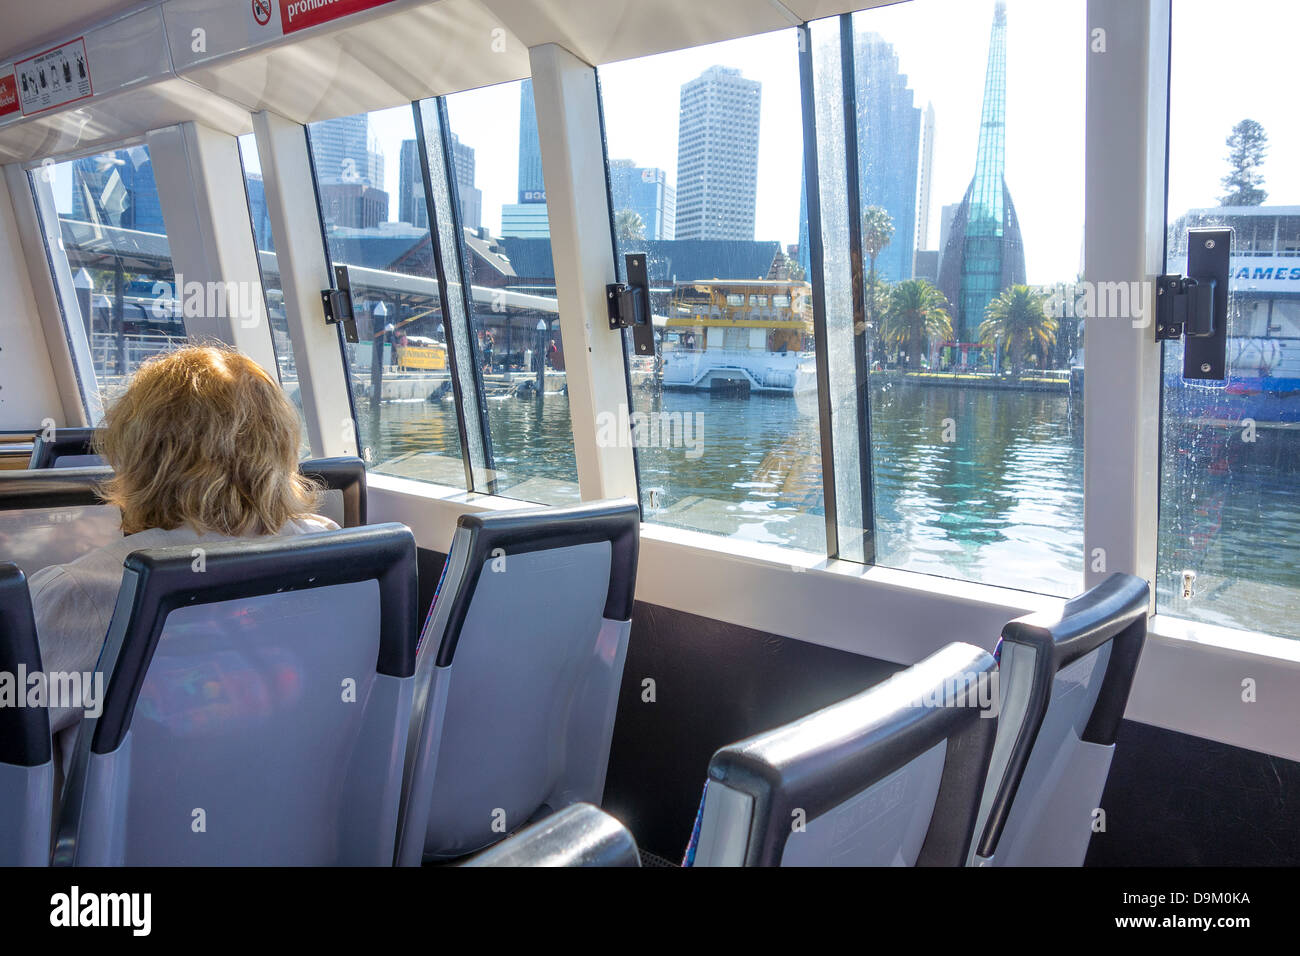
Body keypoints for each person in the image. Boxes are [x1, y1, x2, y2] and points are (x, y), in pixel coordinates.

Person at [29, 345, 338, 769]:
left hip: (122, 835)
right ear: (281, 449)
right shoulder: (333, 555)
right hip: (307, 824)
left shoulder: (78, 592)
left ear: (139, 460)